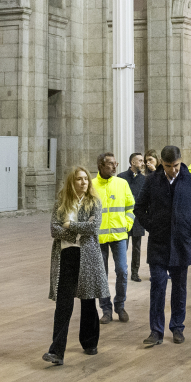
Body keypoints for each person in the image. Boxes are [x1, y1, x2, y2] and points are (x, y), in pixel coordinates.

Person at [136, 145, 191, 346]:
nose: (173, 169)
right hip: (159, 243)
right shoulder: (151, 181)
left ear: (180, 161)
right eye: (168, 166)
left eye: (175, 165)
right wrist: (151, 226)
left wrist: (190, 227)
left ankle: (177, 327)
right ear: (161, 163)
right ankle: (156, 331)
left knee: (180, 289)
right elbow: (139, 208)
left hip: (182, 244)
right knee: (157, 286)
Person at [44, 167, 109, 366]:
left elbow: (93, 227)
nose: (83, 183)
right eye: (79, 179)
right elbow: (54, 229)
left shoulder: (94, 202)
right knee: (63, 305)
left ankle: (90, 343)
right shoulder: (61, 203)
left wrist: (69, 225)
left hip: (87, 256)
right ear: (71, 182)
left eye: (86, 180)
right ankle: (56, 352)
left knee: (88, 300)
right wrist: (76, 230)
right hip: (67, 255)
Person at [92, 152, 134, 324]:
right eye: (110, 163)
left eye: (115, 163)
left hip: (119, 235)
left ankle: (120, 305)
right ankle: (106, 310)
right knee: (101, 275)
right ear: (100, 165)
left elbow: (130, 206)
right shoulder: (92, 185)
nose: (114, 166)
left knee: (122, 271)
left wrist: (127, 224)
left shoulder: (122, 183)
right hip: (98, 238)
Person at [118, 152, 149, 282]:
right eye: (140, 161)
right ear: (133, 162)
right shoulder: (121, 178)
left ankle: (134, 272)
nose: (143, 163)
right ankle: (122, 271)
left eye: (143, 161)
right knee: (122, 247)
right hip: (124, 218)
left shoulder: (144, 179)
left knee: (136, 248)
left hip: (138, 219)